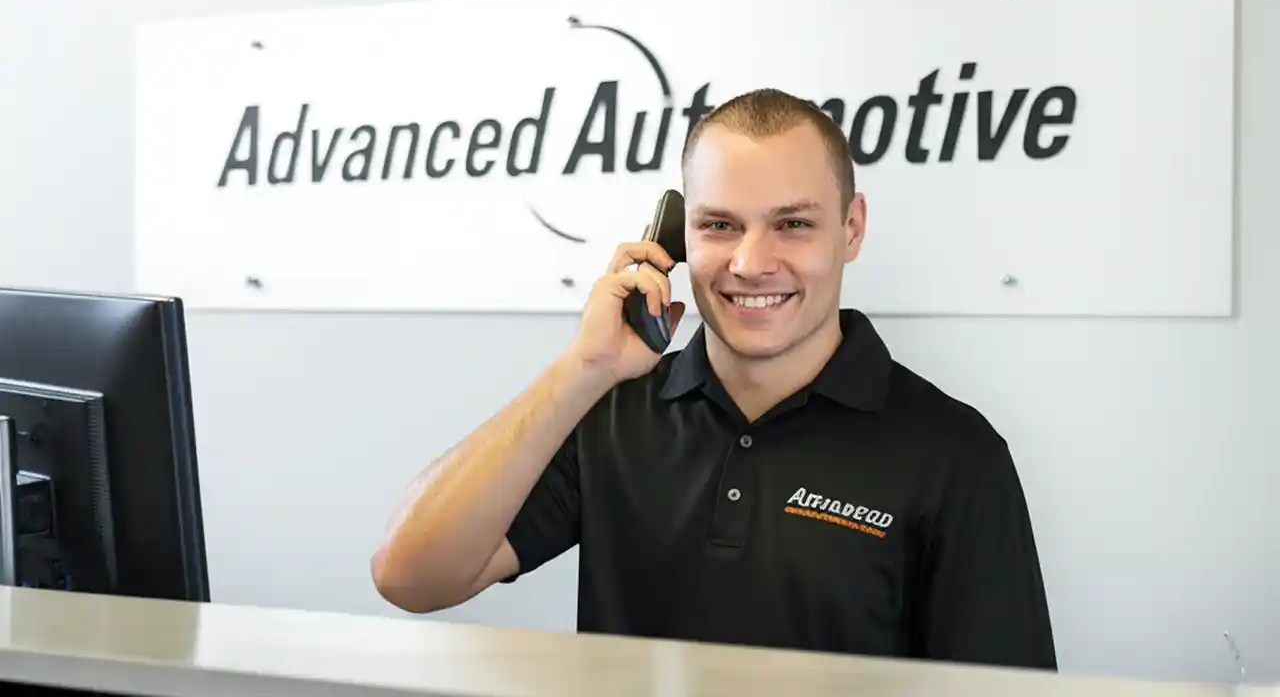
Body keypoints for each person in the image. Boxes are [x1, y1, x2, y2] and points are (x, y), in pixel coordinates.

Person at [370, 88, 1057, 670]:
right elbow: (410, 577)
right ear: (674, 238)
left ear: (851, 229)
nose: (751, 263)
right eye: (719, 225)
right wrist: (583, 369)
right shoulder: (613, 413)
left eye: (792, 224)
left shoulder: (954, 454)